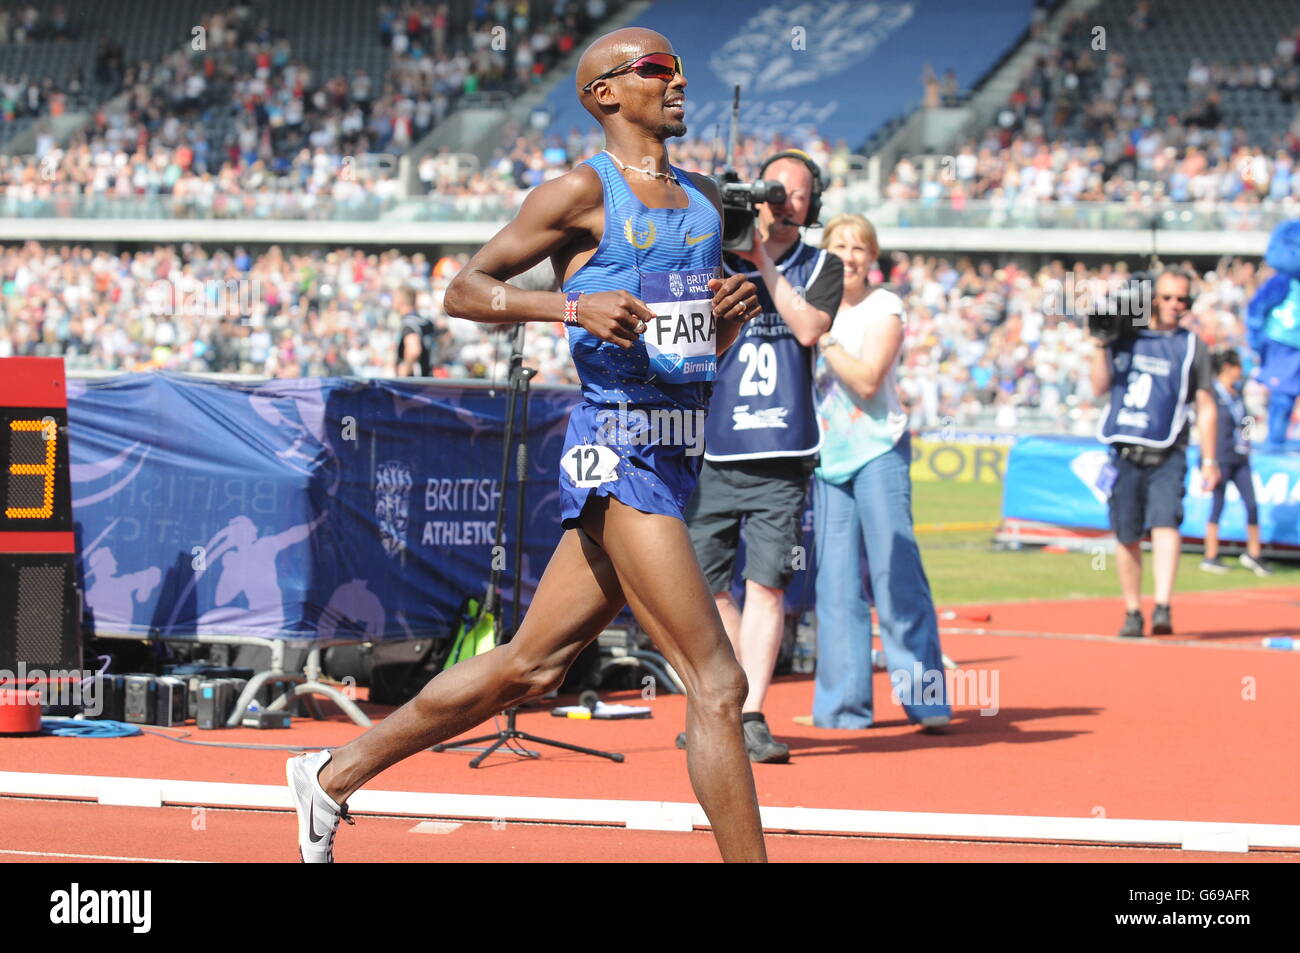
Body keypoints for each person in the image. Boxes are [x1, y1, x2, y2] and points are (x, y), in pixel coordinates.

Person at [286, 28, 768, 862]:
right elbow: (464, 289)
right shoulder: (582, 190)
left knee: (531, 668)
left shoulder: (703, 202)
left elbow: (690, 360)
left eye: (682, 65)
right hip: (619, 451)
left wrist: (726, 325)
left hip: (674, 447)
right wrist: (572, 308)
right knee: (719, 685)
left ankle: (330, 773)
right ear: (603, 93)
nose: (680, 78)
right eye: (658, 68)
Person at [679, 149, 841, 762]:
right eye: (773, 191)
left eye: (795, 193)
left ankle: (750, 716)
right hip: (718, 449)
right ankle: (726, 698)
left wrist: (764, 263)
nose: (782, 201)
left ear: (812, 202)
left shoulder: (821, 264)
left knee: (767, 586)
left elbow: (807, 328)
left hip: (784, 450)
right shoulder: (712, 260)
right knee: (707, 586)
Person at [801, 214, 950, 730]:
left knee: (895, 574)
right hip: (825, 458)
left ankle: (927, 701)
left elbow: (866, 380)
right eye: (839, 245)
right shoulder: (808, 306)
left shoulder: (884, 306)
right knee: (835, 587)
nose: (850, 254)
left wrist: (822, 338)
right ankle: (842, 707)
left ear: (873, 257)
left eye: (860, 246)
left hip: (878, 450)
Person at [1090, 268, 1219, 638]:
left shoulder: (1192, 345)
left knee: (1166, 523)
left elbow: (1206, 405)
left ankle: (1162, 605)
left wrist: (1209, 460)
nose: (1175, 305)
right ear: (1150, 299)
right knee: (1126, 533)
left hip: (1168, 452)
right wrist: (1100, 344)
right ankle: (1133, 610)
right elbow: (1100, 385)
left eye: (1182, 299)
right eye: (1167, 298)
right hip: (1125, 450)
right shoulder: (1124, 337)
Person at [1200, 348, 1272, 576]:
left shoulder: (1237, 393)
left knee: (1251, 504)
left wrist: (1247, 439)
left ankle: (1254, 554)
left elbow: (1245, 419)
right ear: (1228, 368)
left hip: (1240, 457)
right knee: (1217, 506)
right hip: (1220, 457)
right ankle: (1211, 555)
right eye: (1238, 367)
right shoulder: (1212, 393)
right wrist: (1209, 460)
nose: (1241, 372)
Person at [393, 287, 439, 377]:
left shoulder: (409, 323)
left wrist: (404, 372)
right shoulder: (425, 322)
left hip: (414, 383)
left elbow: (413, 351)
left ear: (400, 301)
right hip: (429, 377)